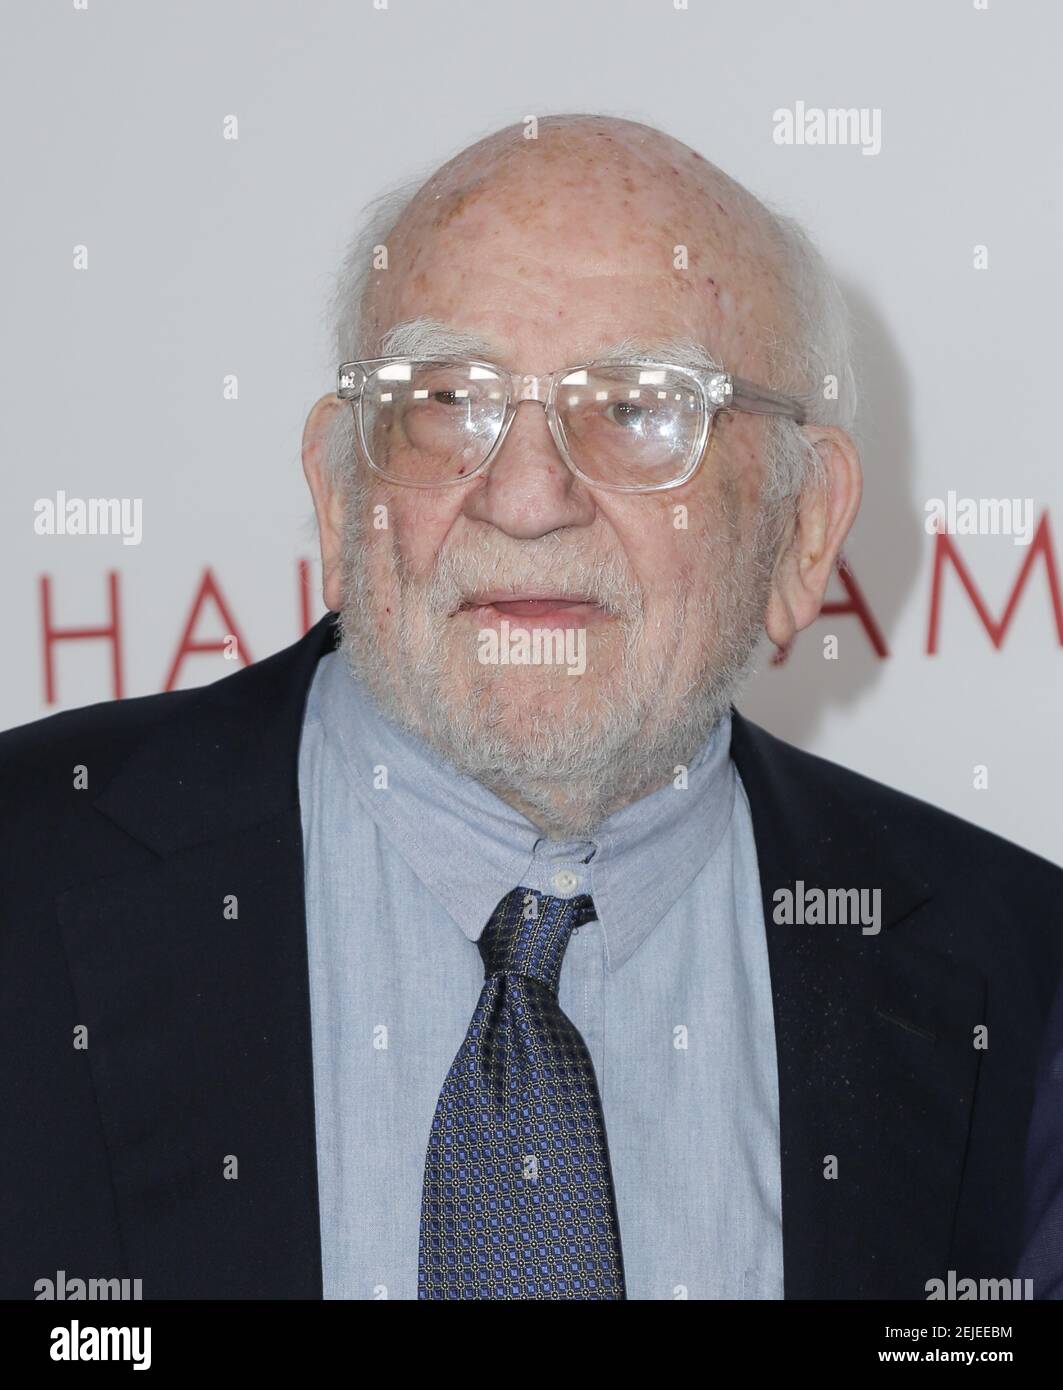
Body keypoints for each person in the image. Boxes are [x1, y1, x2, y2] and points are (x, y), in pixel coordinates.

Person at [2, 114, 1060, 1301]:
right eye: (447, 397)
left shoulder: (1018, 976)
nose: (525, 494)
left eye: (638, 407)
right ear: (342, 496)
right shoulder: (25, 874)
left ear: (801, 528)